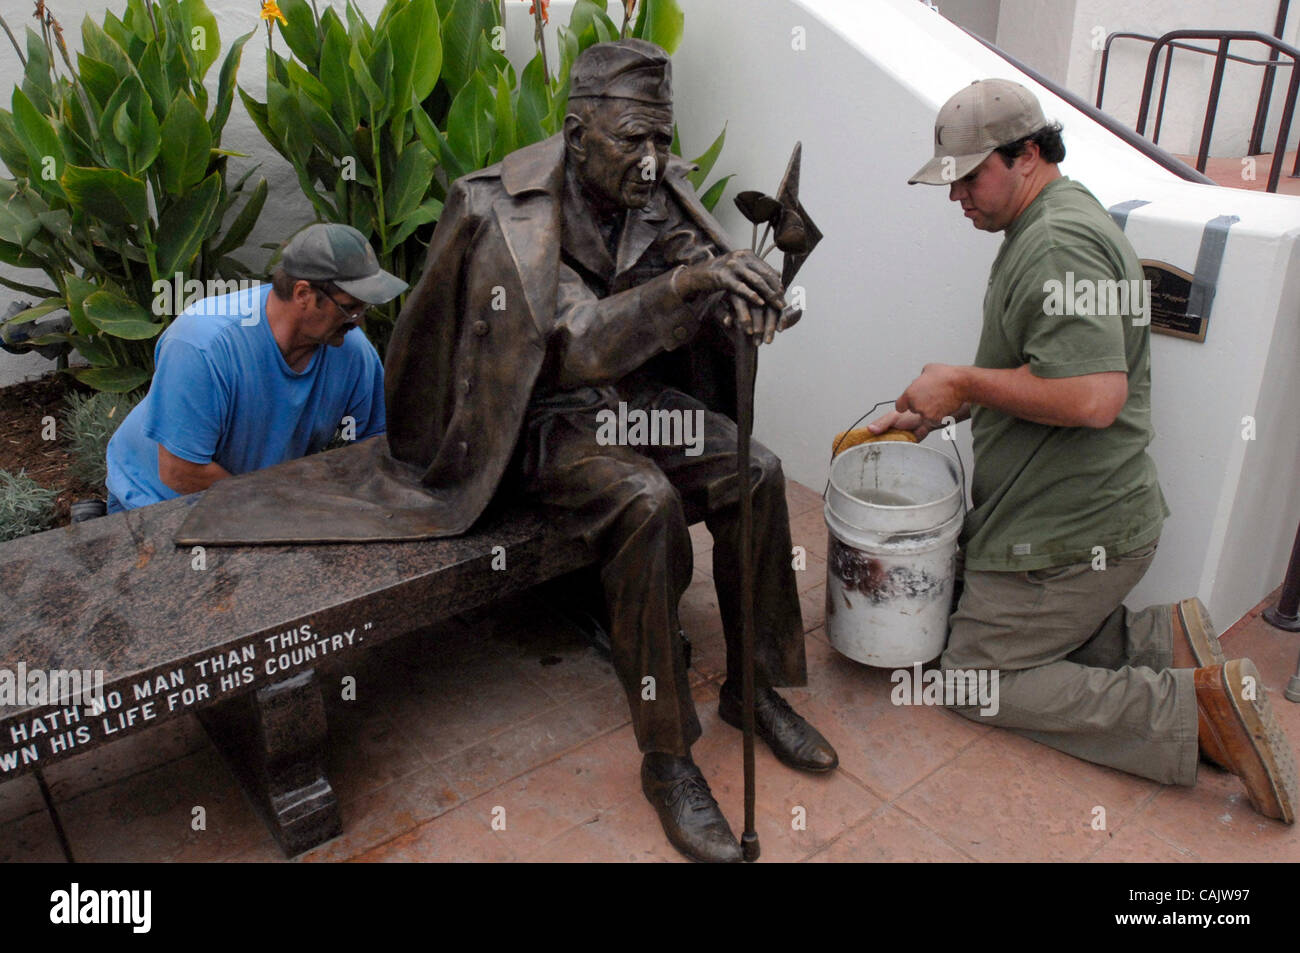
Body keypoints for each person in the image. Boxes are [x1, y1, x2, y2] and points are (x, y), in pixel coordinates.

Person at [384, 39, 837, 862]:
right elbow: (575, 341)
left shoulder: (654, 189)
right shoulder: (506, 209)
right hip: (536, 415)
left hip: (630, 404)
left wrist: (738, 299)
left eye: (662, 138)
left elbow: (695, 266)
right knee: (644, 502)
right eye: (634, 139)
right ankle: (667, 756)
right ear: (577, 130)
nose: (654, 159)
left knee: (757, 469)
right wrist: (686, 290)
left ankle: (755, 686)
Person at [867, 78, 1296, 823]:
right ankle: (1160, 639)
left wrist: (963, 378)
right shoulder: (1053, 222)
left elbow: (1096, 396)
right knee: (969, 617)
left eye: (970, 176)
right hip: (1074, 516)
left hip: (1072, 531)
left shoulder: (1058, 242)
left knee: (972, 676)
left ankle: (1185, 712)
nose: (957, 196)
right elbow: (1041, 371)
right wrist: (941, 406)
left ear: (1027, 154)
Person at [106, 224, 407, 512]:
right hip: (156, 498)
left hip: (256, 492)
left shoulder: (350, 349)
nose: (359, 321)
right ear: (303, 294)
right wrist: (284, 508)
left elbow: (375, 441)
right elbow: (180, 472)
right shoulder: (203, 345)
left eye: (364, 308)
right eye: (350, 308)